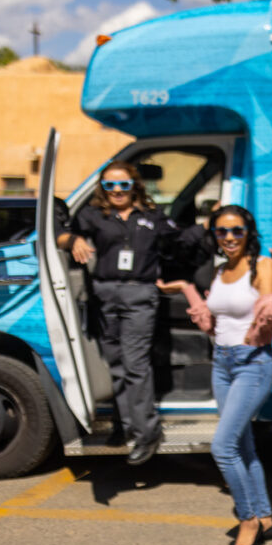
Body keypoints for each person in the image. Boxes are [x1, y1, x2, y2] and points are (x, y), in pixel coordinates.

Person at [162, 206, 272, 545]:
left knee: (222, 447)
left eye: (236, 230)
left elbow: (271, 313)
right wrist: (186, 288)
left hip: (252, 364)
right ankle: (264, 516)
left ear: (249, 232)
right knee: (243, 446)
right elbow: (214, 324)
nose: (229, 237)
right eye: (221, 231)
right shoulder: (220, 270)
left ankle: (247, 519)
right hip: (222, 363)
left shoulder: (263, 265)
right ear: (214, 236)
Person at [55, 161, 202, 465]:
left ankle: (147, 432)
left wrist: (209, 226)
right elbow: (60, 235)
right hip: (104, 295)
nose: (117, 190)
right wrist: (75, 240)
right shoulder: (92, 215)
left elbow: (180, 240)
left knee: (135, 364)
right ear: (102, 188)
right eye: (110, 185)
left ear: (134, 185)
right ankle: (124, 425)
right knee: (116, 364)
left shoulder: (152, 216)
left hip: (139, 294)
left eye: (123, 184)